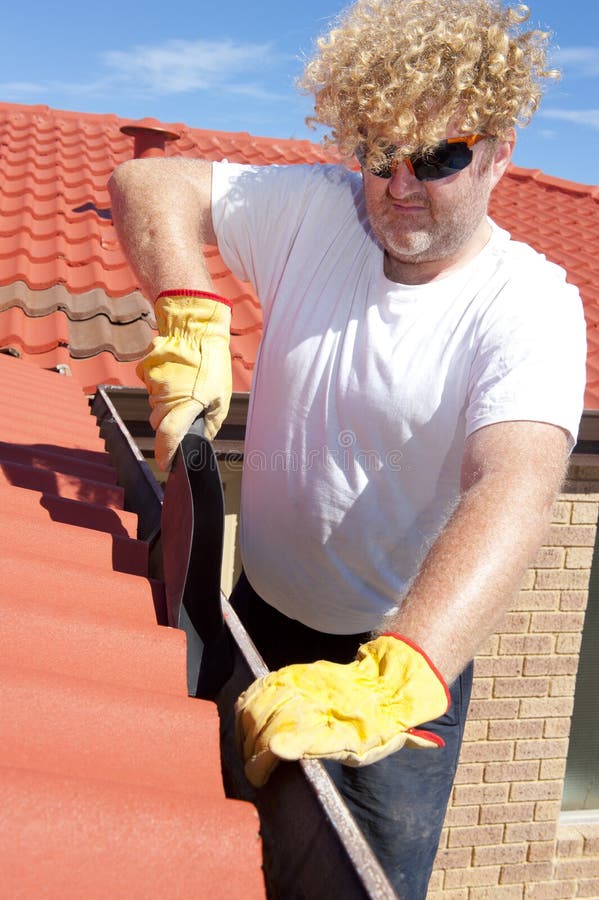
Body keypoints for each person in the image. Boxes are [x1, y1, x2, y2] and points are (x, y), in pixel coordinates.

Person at [108, 1, 587, 895]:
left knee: (356, 880)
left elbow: (512, 489)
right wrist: (188, 307)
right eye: (376, 154)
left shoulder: (528, 306)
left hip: (397, 664)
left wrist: (400, 677)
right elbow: (149, 186)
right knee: (210, 850)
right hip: (256, 617)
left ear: (498, 151)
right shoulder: (317, 211)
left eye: (439, 157)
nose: (399, 185)